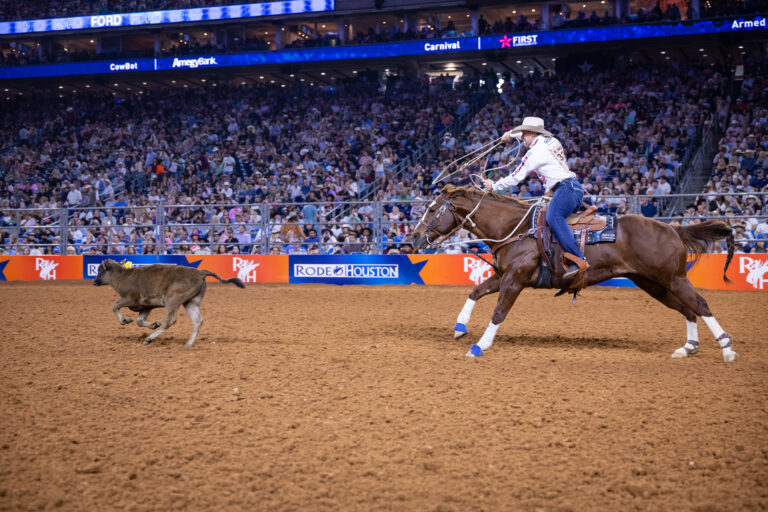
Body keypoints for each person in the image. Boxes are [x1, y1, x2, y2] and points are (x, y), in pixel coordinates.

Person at [484, 116, 587, 279]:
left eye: (524, 134)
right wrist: (511, 134)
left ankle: (578, 259)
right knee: (546, 220)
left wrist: (494, 186)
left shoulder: (536, 153)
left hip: (565, 189)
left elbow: (517, 177)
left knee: (553, 217)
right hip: (570, 188)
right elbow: (528, 135)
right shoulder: (550, 140)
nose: (522, 137)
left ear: (532, 133)